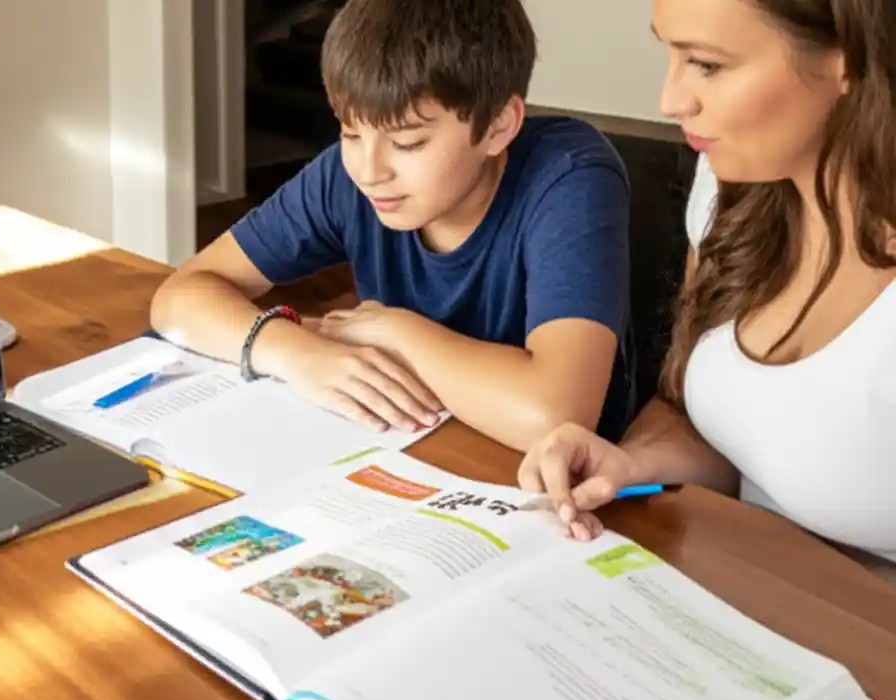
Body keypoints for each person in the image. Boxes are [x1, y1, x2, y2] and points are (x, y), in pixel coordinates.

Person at [517, 0, 896, 580]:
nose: (670, 101)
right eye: (669, 53)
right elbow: (700, 413)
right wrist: (632, 460)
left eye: (707, 65)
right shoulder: (732, 190)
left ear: (848, 62)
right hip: (732, 584)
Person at [150, 0, 636, 452]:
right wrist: (298, 354)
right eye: (349, 132)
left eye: (408, 144)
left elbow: (557, 416)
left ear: (498, 127)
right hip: (416, 450)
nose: (369, 170)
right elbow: (179, 300)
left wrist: (395, 331)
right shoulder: (349, 176)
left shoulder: (569, 175)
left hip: (581, 492)